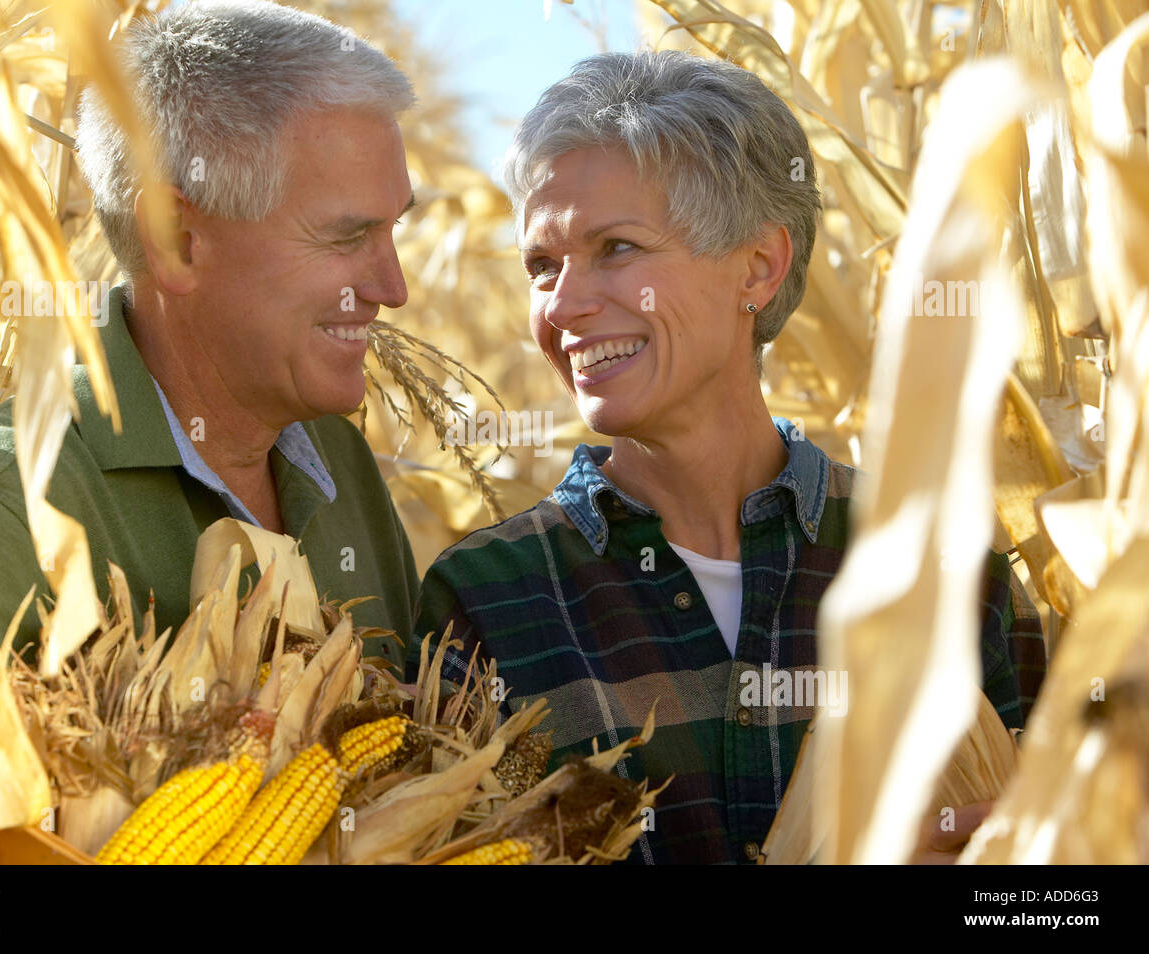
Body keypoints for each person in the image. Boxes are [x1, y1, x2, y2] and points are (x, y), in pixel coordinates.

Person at [408, 50, 1048, 864]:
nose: (563, 304)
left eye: (616, 249)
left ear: (759, 266)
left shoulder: (945, 565)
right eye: (542, 265)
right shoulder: (487, 601)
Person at [0, 2, 419, 671]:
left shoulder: (343, 466)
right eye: (348, 236)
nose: (394, 289)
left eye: (395, 229)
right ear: (179, 242)